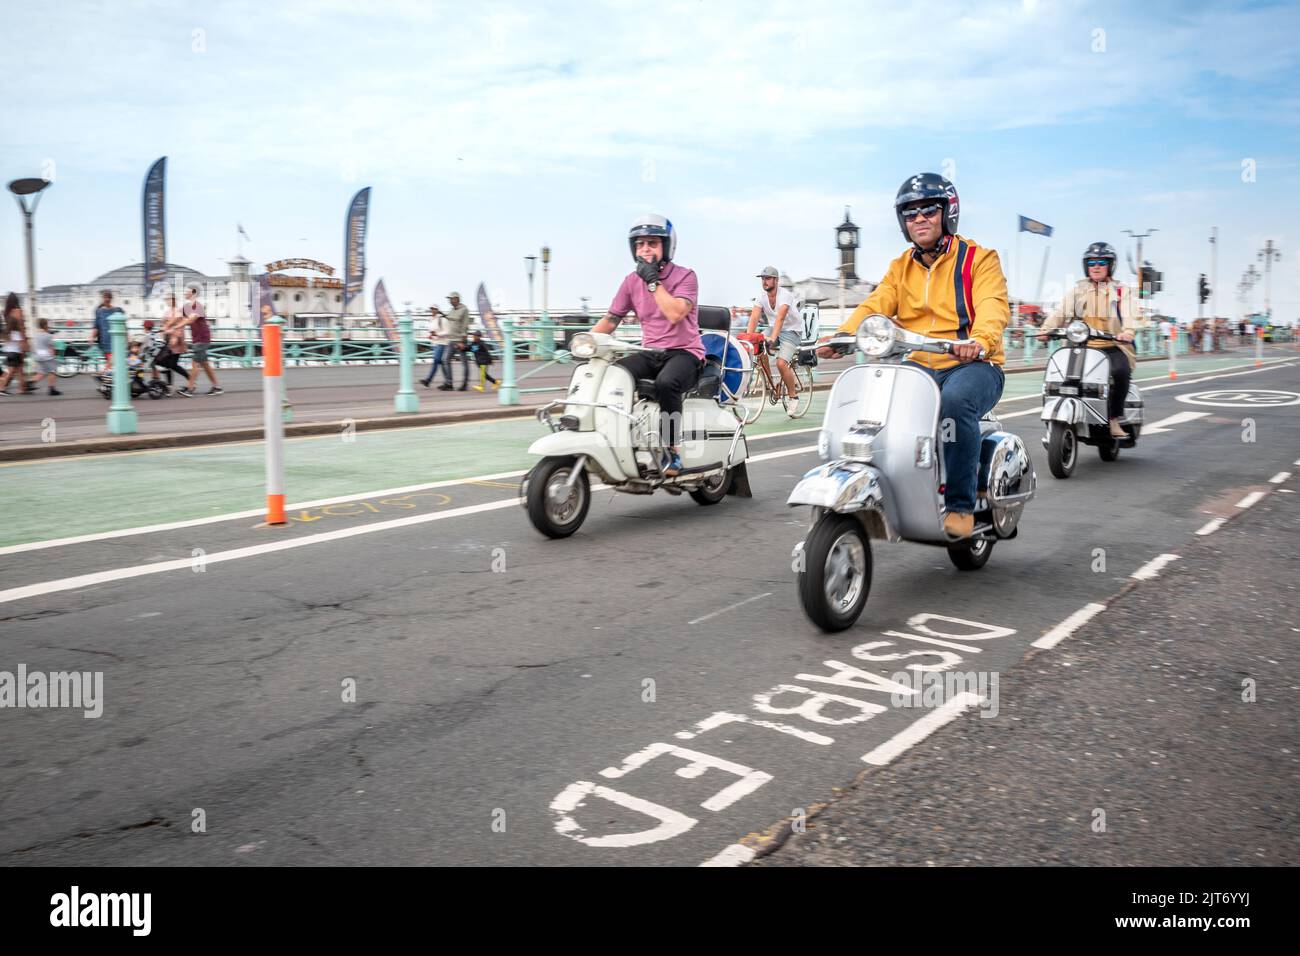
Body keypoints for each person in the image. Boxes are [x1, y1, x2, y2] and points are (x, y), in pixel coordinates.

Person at [818, 173, 1009, 539]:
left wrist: (981, 339)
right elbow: (876, 305)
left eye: (927, 210)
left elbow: (992, 306)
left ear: (946, 213)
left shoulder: (979, 260)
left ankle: (960, 506)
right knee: (875, 405)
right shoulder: (900, 267)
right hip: (919, 369)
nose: (919, 218)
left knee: (955, 402)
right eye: (910, 213)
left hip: (973, 365)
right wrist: (842, 336)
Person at [591, 214, 704, 476]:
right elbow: (611, 320)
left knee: (667, 383)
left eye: (652, 243)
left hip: (685, 353)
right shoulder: (631, 282)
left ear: (666, 247)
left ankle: (672, 451)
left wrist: (653, 282)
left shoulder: (686, 277)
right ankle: (615, 438)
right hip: (650, 352)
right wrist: (584, 343)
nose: (645, 249)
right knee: (613, 374)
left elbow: (675, 313)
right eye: (640, 244)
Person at [1038, 241, 1137, 438]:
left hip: (1111, 345)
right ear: (1086, 266)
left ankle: (1113, 419)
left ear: (1110, 265)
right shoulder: (1078, 290)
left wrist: (1127, 331)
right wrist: (1046, 330)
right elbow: (1060, 311)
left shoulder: (1121, 291)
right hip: (1081, 345)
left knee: (1121, 372)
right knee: (1059, 375)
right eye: (1092, 262)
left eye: (1101, 261)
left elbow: (1129, 313)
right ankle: (1058, 415)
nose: (1096, 266)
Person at [744, 266, 803, 409]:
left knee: (781, 363)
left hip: (791, 330)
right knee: (758, 349)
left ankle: (793, 396)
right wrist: (748, 339)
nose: (764, 281)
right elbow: (754, 318)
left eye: (768, 278)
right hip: (773, 329)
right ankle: (771, 384)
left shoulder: (786, 295)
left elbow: (781, 318)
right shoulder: (761, 297)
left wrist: (772, 338)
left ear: (776, 280)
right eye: (763, 278)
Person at [177, 285, 222, 396]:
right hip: (196, 338)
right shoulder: (186, 307)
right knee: (205, 364)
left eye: (186, 291)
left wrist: (177, 327)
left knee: (195, 363)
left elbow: (191, 319)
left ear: (193, 293)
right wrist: (168, 326)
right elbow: (177, 317)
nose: (184, 293)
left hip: (202, 338)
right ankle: (217, 387)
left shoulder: (198, 306)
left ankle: (190, 388)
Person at [0, 294, 31, 396]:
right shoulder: (17, 311)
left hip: (10, 349)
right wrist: (25, 343)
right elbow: (21, 327)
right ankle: (2, 388)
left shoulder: (7, 313)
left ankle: (22, 388)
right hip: (16, 349)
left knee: (19, 368)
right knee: (12, 370)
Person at [420, 306, 450, 388]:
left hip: (442, 343)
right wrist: (429, 335)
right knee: (441, 363)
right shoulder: (431, 320)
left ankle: (428, 380)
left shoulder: (442, 319)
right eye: (431, 309)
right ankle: (448, 382)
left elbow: (448, 331)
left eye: (434, 309)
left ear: (438, 310)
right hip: (434, 343)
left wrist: (437, 334)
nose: (432, 310)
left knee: (436, 360)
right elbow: (429, 331)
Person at [91, 290, 121, 370]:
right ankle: (108, 374)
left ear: (111, 299)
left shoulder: (116, 310)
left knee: (110, 359)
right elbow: (96, 326)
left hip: (114, 339)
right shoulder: (99, 311)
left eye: (108, 298)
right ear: (103, 299)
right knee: (108, 359)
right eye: (105, 297)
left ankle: (105, 373)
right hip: (103, 339)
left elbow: (122, 325)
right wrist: (92, 338)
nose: (107, 299)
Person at [31, 318, 62, 396]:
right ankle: (52, 389)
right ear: (45, 325)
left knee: (41, 373)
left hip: (38, 356)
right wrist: (54, 355)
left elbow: (33, 347)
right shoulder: (48, 336)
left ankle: (28, 384)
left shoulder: (35, 335)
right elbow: (51, 347)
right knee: (52, 371)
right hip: (47, 356)